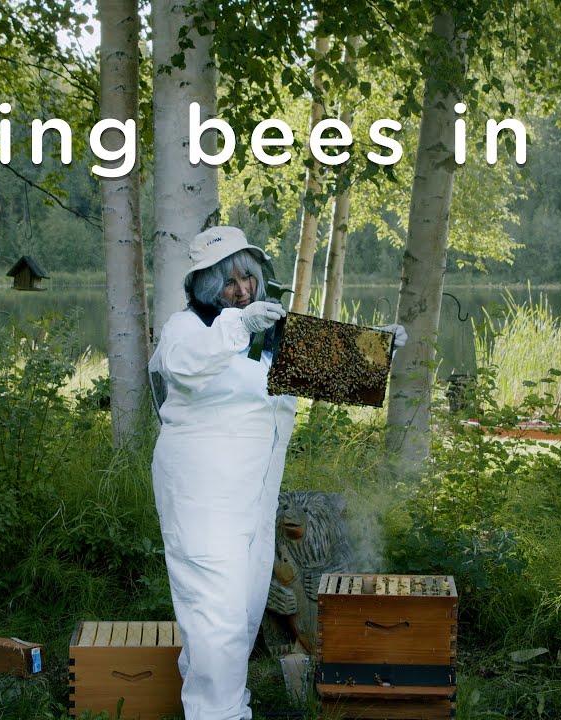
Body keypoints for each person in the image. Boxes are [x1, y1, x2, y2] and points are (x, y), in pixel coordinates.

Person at [148, 226, 404, 719]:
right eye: (229, 282)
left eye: (249, 277)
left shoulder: (269, 335)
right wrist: (237, 327)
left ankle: (227, 706)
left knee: (240, 615)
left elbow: (332, 372)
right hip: (202, 498)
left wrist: (376, 351)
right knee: (215, 618)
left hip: (251, 499)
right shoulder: (188, 329)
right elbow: (183, 366)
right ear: (205, 286)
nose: (243, 290)